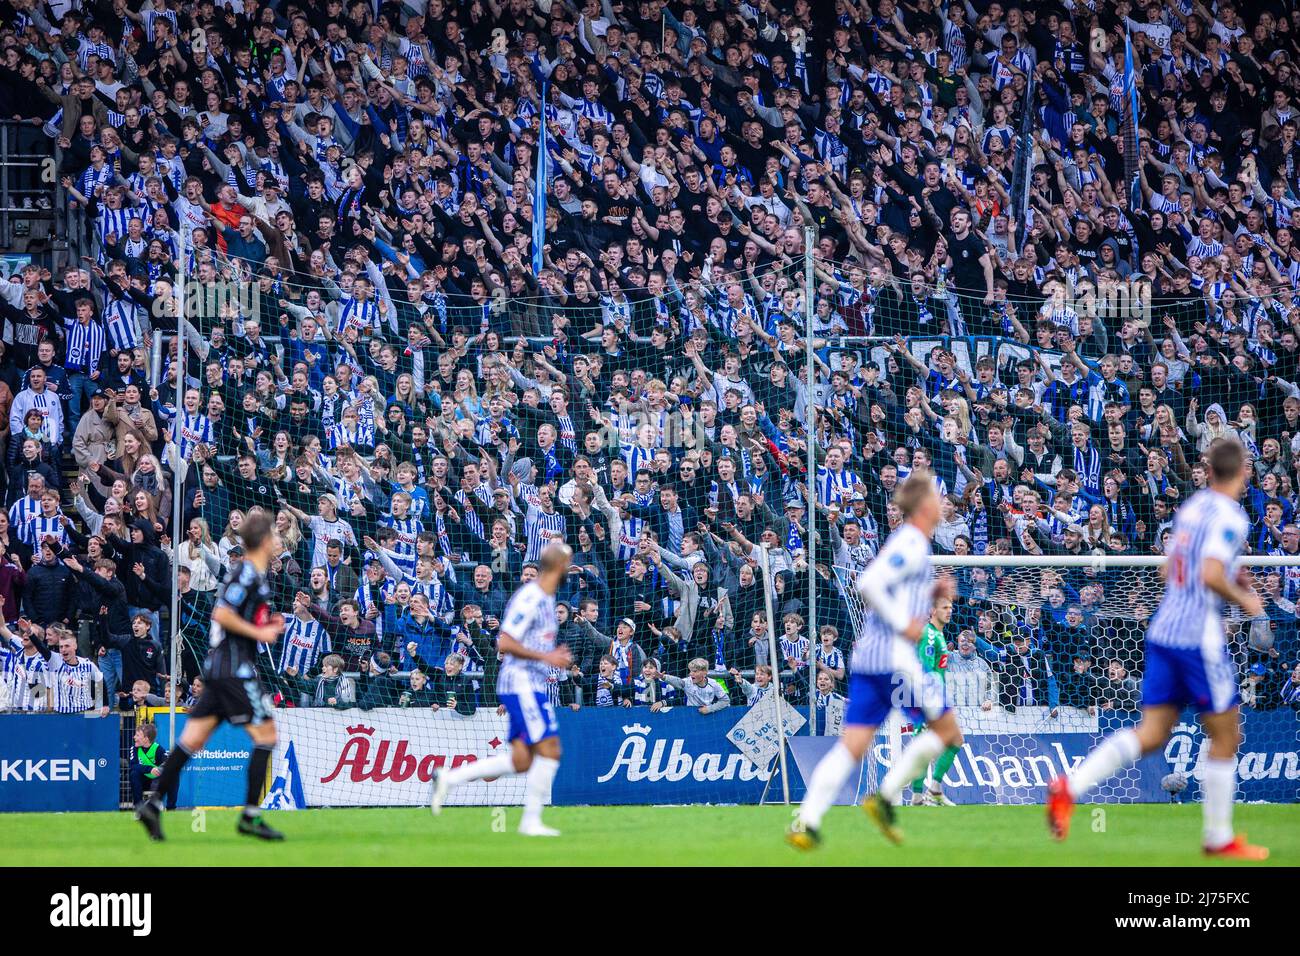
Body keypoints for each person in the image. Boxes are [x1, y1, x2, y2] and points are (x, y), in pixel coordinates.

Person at [1047, 441, 1268, 860]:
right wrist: (1249, 601)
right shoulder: (1228, 515)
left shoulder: (1192, 507)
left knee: (1151, 733)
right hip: (1196, 637)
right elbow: (1208, 571)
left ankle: (1068, 789)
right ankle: (1218, 837)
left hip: (1163, 628)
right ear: (1241, 472)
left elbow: (1170, 568)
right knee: (1227, 733)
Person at [788, 471, 962, 849]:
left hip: (868, 659)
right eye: (937, 497)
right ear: (925, 505)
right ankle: (884, 797)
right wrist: (907, 625)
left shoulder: (912, 544)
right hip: (895, 660)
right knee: (948, 733)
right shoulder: (912, 541)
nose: (943, 502)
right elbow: (869, 584)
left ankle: (807, 822)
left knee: (852, 746)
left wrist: (931, 590)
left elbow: (897, 588)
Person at [136, 511, 286, 842]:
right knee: (266, 737)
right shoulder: (247, 573)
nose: (279, 540)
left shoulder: (256, 574)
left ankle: (153, 804)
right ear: (263, 541)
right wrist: (259, 634)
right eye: (275, 535)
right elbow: (222, 614)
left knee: (193, 740)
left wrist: (262, 628)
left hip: (220, 669)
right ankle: (250, 815)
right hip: (234, 668)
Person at [429, 542, 574, 837]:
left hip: (530, 683)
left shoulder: (547, 599)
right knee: (550, 748)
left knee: (522, 760)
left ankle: (449, 778)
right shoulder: (530, 597)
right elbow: (505, 642)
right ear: (557, 566)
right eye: (567, 563)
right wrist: (548, 657)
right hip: (520, 682)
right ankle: (531, 821)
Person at [908, 594, 961, 806]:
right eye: (944, 607)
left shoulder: (938, 635)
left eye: (950, 607)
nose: (949, 611)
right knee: (955, 741)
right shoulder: (929, 636)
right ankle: (933, 790)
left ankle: (919, 797)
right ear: (932, 611)